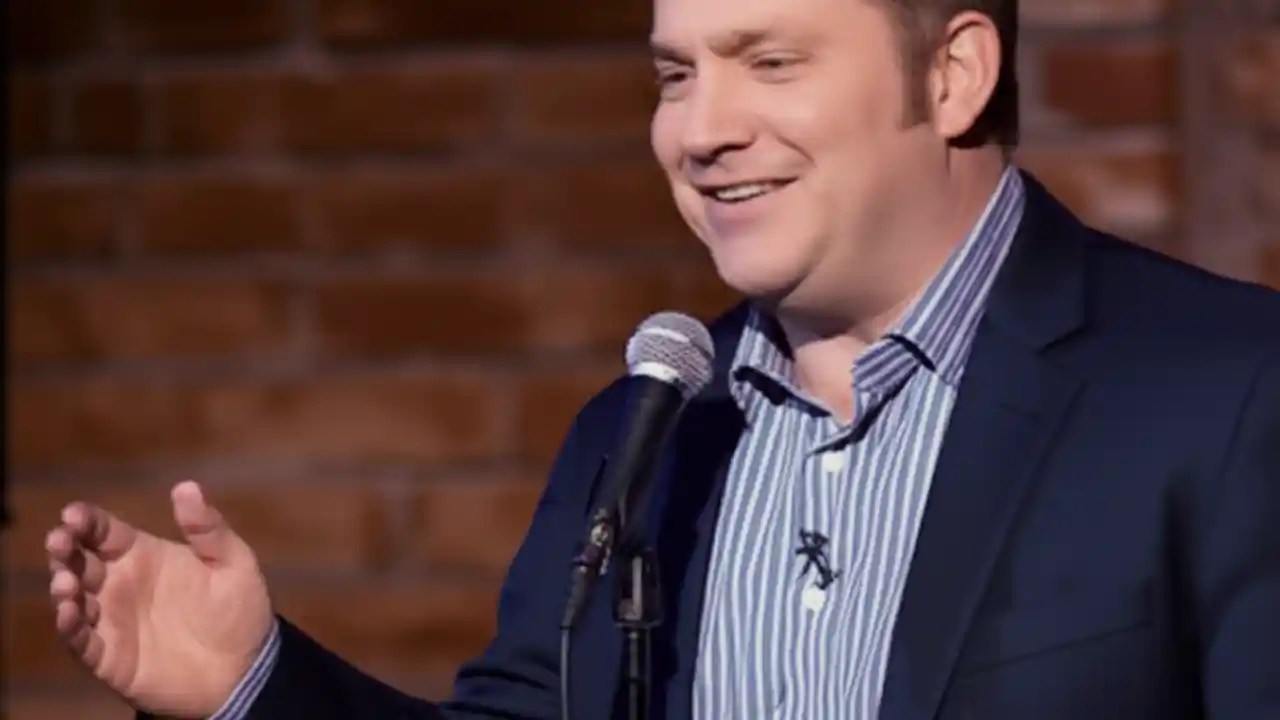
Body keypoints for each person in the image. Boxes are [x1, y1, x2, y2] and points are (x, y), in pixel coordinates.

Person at [43, 0, 1280, 717]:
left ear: (952, 75)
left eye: (769, 60)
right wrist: (253, 684)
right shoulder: (644, 431)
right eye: (673, 75)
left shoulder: (1226, 391)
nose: (699, 130)